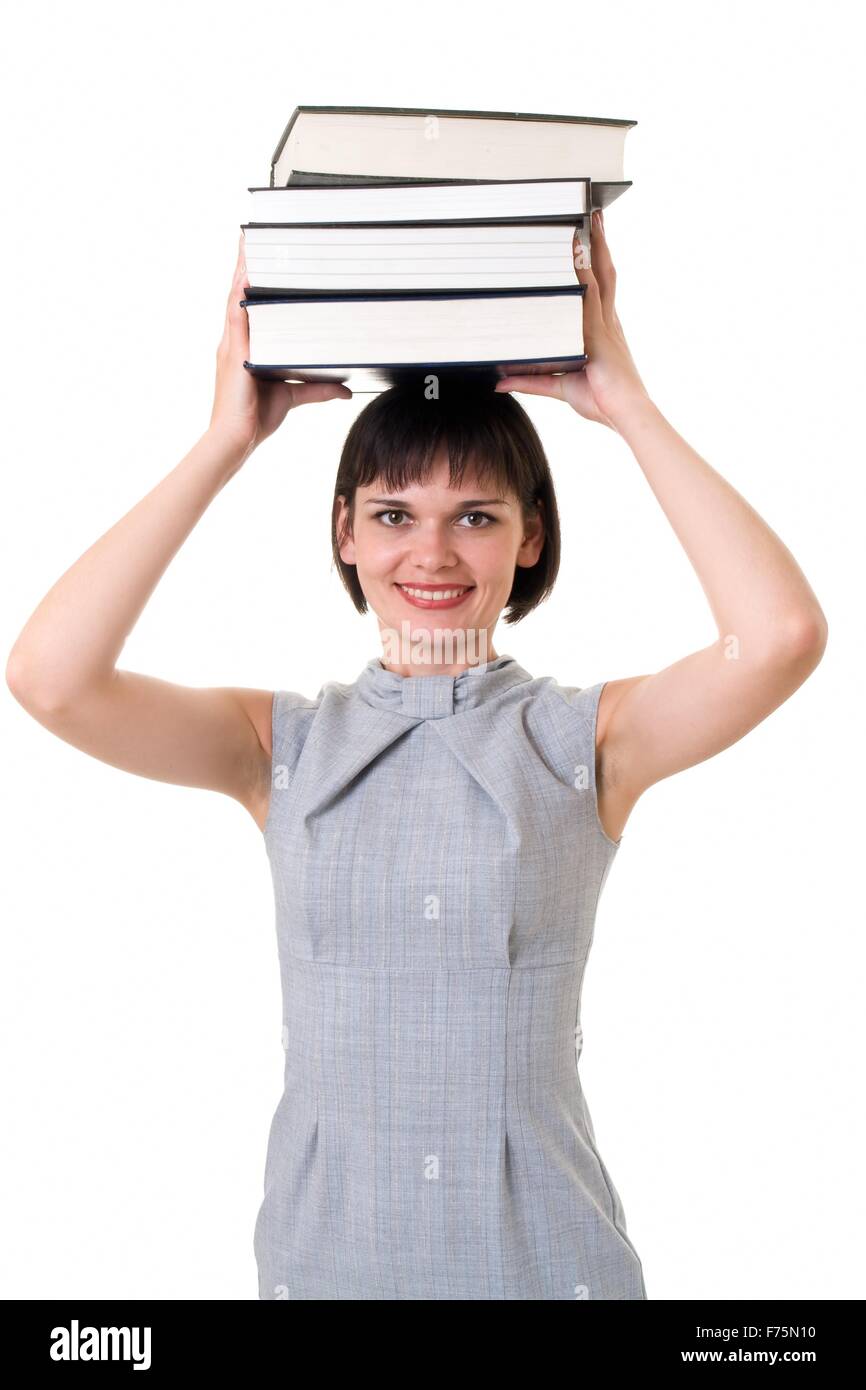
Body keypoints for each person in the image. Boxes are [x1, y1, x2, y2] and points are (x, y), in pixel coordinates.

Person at [6, 213, 828, 1300]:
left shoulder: (588, 744)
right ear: (343, 530)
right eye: (393, 513)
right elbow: (50, 678)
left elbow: (776, 637)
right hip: (324, 1268)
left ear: (528, 536)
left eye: (475, 515)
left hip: (542, 1269)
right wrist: (222, 443)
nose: (430, 552)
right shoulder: (279, 746)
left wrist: (623, 403)